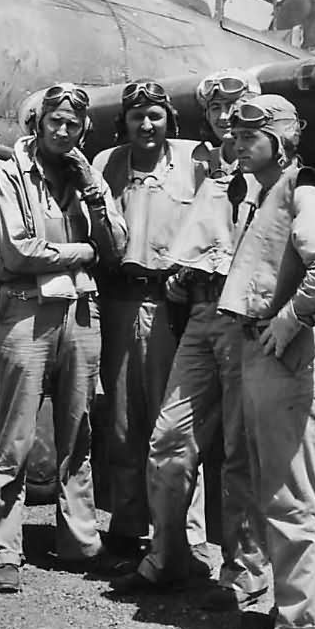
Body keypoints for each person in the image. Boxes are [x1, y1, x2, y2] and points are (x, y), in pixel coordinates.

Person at [110, 69, 270, 608]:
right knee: (168, 442)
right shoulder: (208, 174)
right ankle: (169, 557)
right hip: (201, 316)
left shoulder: (276, 178)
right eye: (216, 109)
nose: (226, 117)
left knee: (239, 451)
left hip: (245, 320)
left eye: (236, 107)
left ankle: (244, 574)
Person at [219, 95, 315, 629]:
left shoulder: (303, 189)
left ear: (277, 140)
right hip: (268, 353)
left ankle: (308, 628)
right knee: (274, 487)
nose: (237, 140)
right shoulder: (268, 193)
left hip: (290, 354)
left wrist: (290, 317)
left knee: (292, 493)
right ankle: (295, 611)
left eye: (250, 133)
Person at [0, 82, 129, 593]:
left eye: (72, 125)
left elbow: (117, 245)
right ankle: (4, 547)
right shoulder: (8, 174)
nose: (63, 131)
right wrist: (81, 253)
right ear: (37, 124)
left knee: (78, 434)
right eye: (55, 122)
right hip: (27, 311)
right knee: (16, 433)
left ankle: (80, 542)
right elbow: (19, 250)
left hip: (81, 312)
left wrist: (93, 187)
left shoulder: (85, 178)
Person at [92, 80, 209, 566]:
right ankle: (126, 522)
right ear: (125, 122)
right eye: (137, 115)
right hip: (119, 299)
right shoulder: (106, 163)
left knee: (175, 421)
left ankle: (186, 531)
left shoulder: (195, 163)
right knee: (121, 421)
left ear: (169, 120)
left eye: (156, 115)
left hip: (168, 303)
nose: (146, 124)